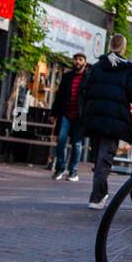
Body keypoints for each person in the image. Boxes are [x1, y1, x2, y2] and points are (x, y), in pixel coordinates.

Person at [82, 34, 132, 209]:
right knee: (104, 160)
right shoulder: (126, 69)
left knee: (98, 158)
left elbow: (86, 90)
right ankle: (96, 197)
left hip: (95, 117)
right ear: (123, 47)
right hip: (114, 120)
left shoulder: (97, 67)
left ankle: (100, 192)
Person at [49, 53, 90, 181]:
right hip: (65, 114)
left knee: (77, 144)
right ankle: (60, 168)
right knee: (61, 140)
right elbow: (59, 95)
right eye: (76, 59)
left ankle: (73, 171)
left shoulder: (89, 78)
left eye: (80, 60)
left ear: (85, 62)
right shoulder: (67, 77)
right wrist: (53, 113)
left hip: (79, 116)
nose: (77, 62)